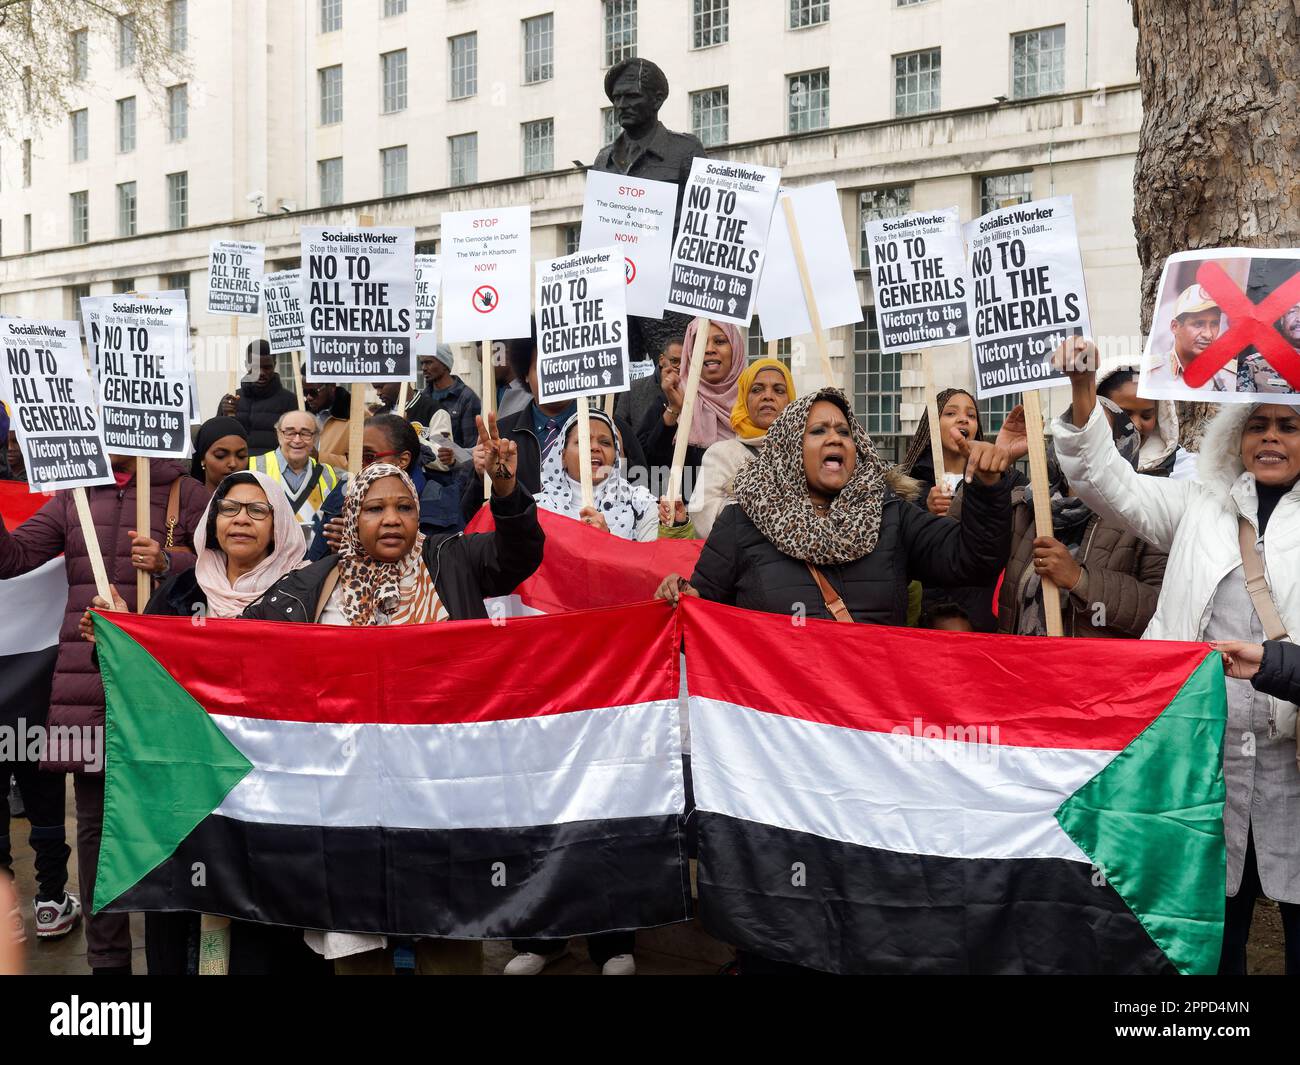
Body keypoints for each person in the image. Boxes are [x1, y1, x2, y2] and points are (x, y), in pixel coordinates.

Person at [656, 389, 1012, 973]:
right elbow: (704, 613)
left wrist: (992, 492)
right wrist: (681, 597)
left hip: (867, 740)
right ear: (792, 448)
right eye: (819, 430)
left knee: (864, 875)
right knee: (781, 877)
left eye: (844, 430)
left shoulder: (891, 515)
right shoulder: (744, 522)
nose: (836, 439)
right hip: (777, 749)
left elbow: (968, 560)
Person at [242, 430, 543, 973]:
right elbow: (238, 652)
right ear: (352, 517)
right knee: (357, 945)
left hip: (443, 796)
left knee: (448, 938)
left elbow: (519, 551)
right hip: (347, 801)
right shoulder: (312, 587)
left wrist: (504, 484)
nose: (392, 519)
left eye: (404, 507)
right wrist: (129, 632)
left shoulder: (452, 560)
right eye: (375, 508)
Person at [1051, 336, 1300, 975]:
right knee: (1209, 945)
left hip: (1294, 768)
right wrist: (1083, 392)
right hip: (1201, 767)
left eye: (1289, 425)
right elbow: (1107, 484)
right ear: (1235, 440)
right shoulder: (1197, 507)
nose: (1270, 438)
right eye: (1258, 426)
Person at [78, 471, 322, 975]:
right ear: (212, 521)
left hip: (270, 787)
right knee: (182, 915)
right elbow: (148, 678)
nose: (241, 520)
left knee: (263, 924)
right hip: (187, 790)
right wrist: (122, 632)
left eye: (258, 511)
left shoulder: (308, 592)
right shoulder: (181, 586)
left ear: (278, 525)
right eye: (230, 508)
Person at [0, 454, 210, 973]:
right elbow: (15, 556)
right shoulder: (74, 496)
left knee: (178, 826)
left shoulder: (190, 493)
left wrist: (169, 563)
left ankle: (175, 957)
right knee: (95, 828)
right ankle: (108, 963)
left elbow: (233, 563)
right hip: (87, 685)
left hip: (169, 689)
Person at [997, 401, 1168, 638]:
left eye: (1095, 435)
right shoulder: (1026, 505)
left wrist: (1081, 581)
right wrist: (995, 468)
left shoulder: (1146, 512)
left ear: (1119, 444)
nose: (1080, 442)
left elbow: (1159, 610)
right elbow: (967, 560)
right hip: (1020, 667)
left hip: (1092, 671)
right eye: (1073, 431)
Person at [460, 325, 646, 522]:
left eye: (561, 365)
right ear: (525, 374)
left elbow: (642, 500)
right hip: (519, 547)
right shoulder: (502, 435)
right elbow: (470, 517)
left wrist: (620, 464)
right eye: (545, 368)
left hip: (588, 547)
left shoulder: (612, 430)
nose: (554, 376)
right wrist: (482, 479)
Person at [900, 388, 1026, 632]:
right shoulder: (909, 485)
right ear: (931, 426)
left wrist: (998, 467)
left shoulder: (1006, 481)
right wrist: (923, 508)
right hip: (926, 620)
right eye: (950, 413)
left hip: (983, 613)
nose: (963, 419)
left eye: (971, 415)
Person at [309, 414, 459, 560]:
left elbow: (446, 570)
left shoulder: (441, 503)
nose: (358, 466)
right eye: (353, 456)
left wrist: (366, 548)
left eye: (368, 457)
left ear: (403, 460)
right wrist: (336, 555)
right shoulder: (344, 494)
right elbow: (312, 568)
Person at [535, 410, 692, 543]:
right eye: (583, 441)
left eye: (605, 443)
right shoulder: (536, 508)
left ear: (615, 456)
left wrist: (676, 528)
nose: (595, 447)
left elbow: (656, 564)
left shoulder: (640, 503)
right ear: (562, 456)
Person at [637, 319, 743, 503]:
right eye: (700, 342)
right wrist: (674, 411)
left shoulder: (753, 400)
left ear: (736, 348)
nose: (709, 349)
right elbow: (651, 463)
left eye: (719, 341)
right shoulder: (673, 396)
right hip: (686, 521)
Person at [689, 357, 794, 538]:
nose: (768, 396)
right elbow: (703, 519)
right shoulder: (721, 453)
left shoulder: (807, 453)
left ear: (791, 399)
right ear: (744, 398)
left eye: (779, 390)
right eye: (757, 389)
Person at [249, 410, 343, 550]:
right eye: (290, 432)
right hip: (268, 559)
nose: (297, 440)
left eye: (305, 433)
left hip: (315, 564)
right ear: (279, 435)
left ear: (315, 438)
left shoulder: (329, 474)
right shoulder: (253, 467)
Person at [1096, 356, 1198, 479]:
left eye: (1146, 416)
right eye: (1124, 414)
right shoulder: (1076, 459)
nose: (1136, 425)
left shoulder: (1184, 469)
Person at [1144, 284, 1236, 393]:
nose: (1208, 334)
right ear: (1175, 327)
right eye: (1198, 324)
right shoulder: (1149, 372)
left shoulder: (1232, 374)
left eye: (1214, 324)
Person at [230, 340, 300, 454]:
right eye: (256, 368)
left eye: (267, 368)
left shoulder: (290, 401)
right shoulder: (231, 400)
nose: (261, 373)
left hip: (274, 470)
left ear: (275, 365)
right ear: (247, 365)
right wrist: (225, 415)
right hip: (239, 469)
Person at [615, 337, 683, 433]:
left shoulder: (697, 392)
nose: (680, 367)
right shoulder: (633, 389)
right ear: (661, 360)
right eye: (674, 361)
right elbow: (619, 431)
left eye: (685, 362)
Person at [422, 345, 482, 448]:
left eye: (429, 362)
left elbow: (471, 447)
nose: (423, 368)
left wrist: (452, 460)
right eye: (422, 363)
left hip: (454, 462)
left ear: (445, 364)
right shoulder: (423, 397)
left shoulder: (466, 398)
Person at [190, 416, 249, 492]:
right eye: (220, 456)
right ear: (202, 458)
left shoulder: (262, 500)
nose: (233, 464)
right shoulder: (185, 501)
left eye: (241, 456)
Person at [316, 385, 352, 470]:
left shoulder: (358, 418)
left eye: (313, 392)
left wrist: (319, 457)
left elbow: (361, 463)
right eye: (305, 393)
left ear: (331, 387)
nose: (308, 397)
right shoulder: (302, 414)